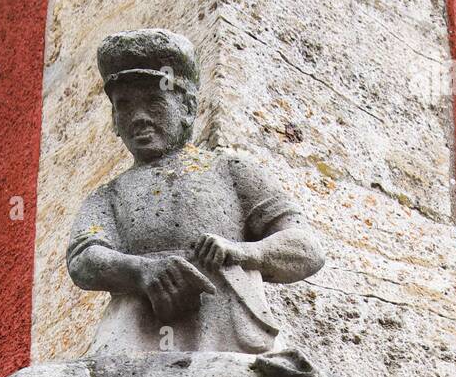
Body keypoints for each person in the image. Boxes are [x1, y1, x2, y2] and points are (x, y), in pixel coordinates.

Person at [66, 29, 325, 355]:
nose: (139, 118)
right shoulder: (108, 196)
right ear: (114, 121)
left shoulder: (231, 172)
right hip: (133, 338)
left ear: (187, 107)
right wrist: (141, 270)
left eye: (154, 102)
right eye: (124, 106)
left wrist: (240, 253)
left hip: (228, 335)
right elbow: (84, 259)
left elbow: (306, 247)